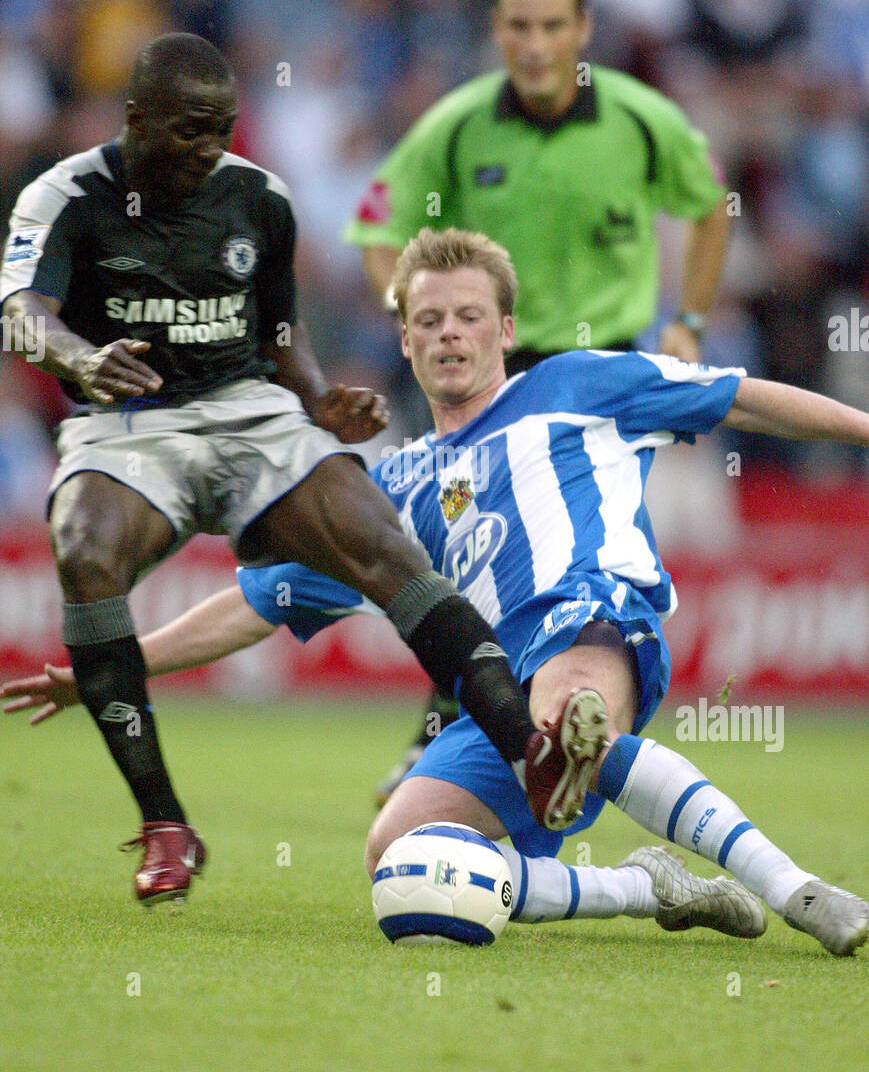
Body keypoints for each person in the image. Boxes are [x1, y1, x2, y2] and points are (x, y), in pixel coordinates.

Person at [7, 227, 868, 957]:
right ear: (405, 340)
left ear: (504, 327)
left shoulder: (576, 384)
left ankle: (795, 890)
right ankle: (648, 889)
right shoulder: (392, 491)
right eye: (428, 320)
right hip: (493, 697)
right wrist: (113, 667)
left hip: (593, 619)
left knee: (567, 716)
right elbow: (256, 601)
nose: (449, 334)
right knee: (402, 856)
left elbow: (741, 402)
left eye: (466, 317)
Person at [0, 36, 580, 907]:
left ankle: (525, 748)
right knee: (83, 545)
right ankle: (164, 822)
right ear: (137, 121)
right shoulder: (66, 194)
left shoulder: (258, 198)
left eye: (222, 129)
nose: (210, 148)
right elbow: (19, 312)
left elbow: (279, 333)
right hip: (126, 421)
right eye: (190, 130)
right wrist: (79, 360)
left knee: (376, 535)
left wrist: (317, 398)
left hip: (248, 412)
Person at [345, 0, 732, 800]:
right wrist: (409, 313)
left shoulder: (639, 119)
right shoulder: (456, 124)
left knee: (581, 562)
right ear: (497, 30)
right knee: (468, 565)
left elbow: (710, 206)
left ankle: (571, 720)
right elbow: (376, 222)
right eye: (518, 25)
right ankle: (506, 729)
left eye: (552, 26)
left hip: (599, 378)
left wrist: (691, 321)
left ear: (582, 30)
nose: (534, 44)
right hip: (491, 370)